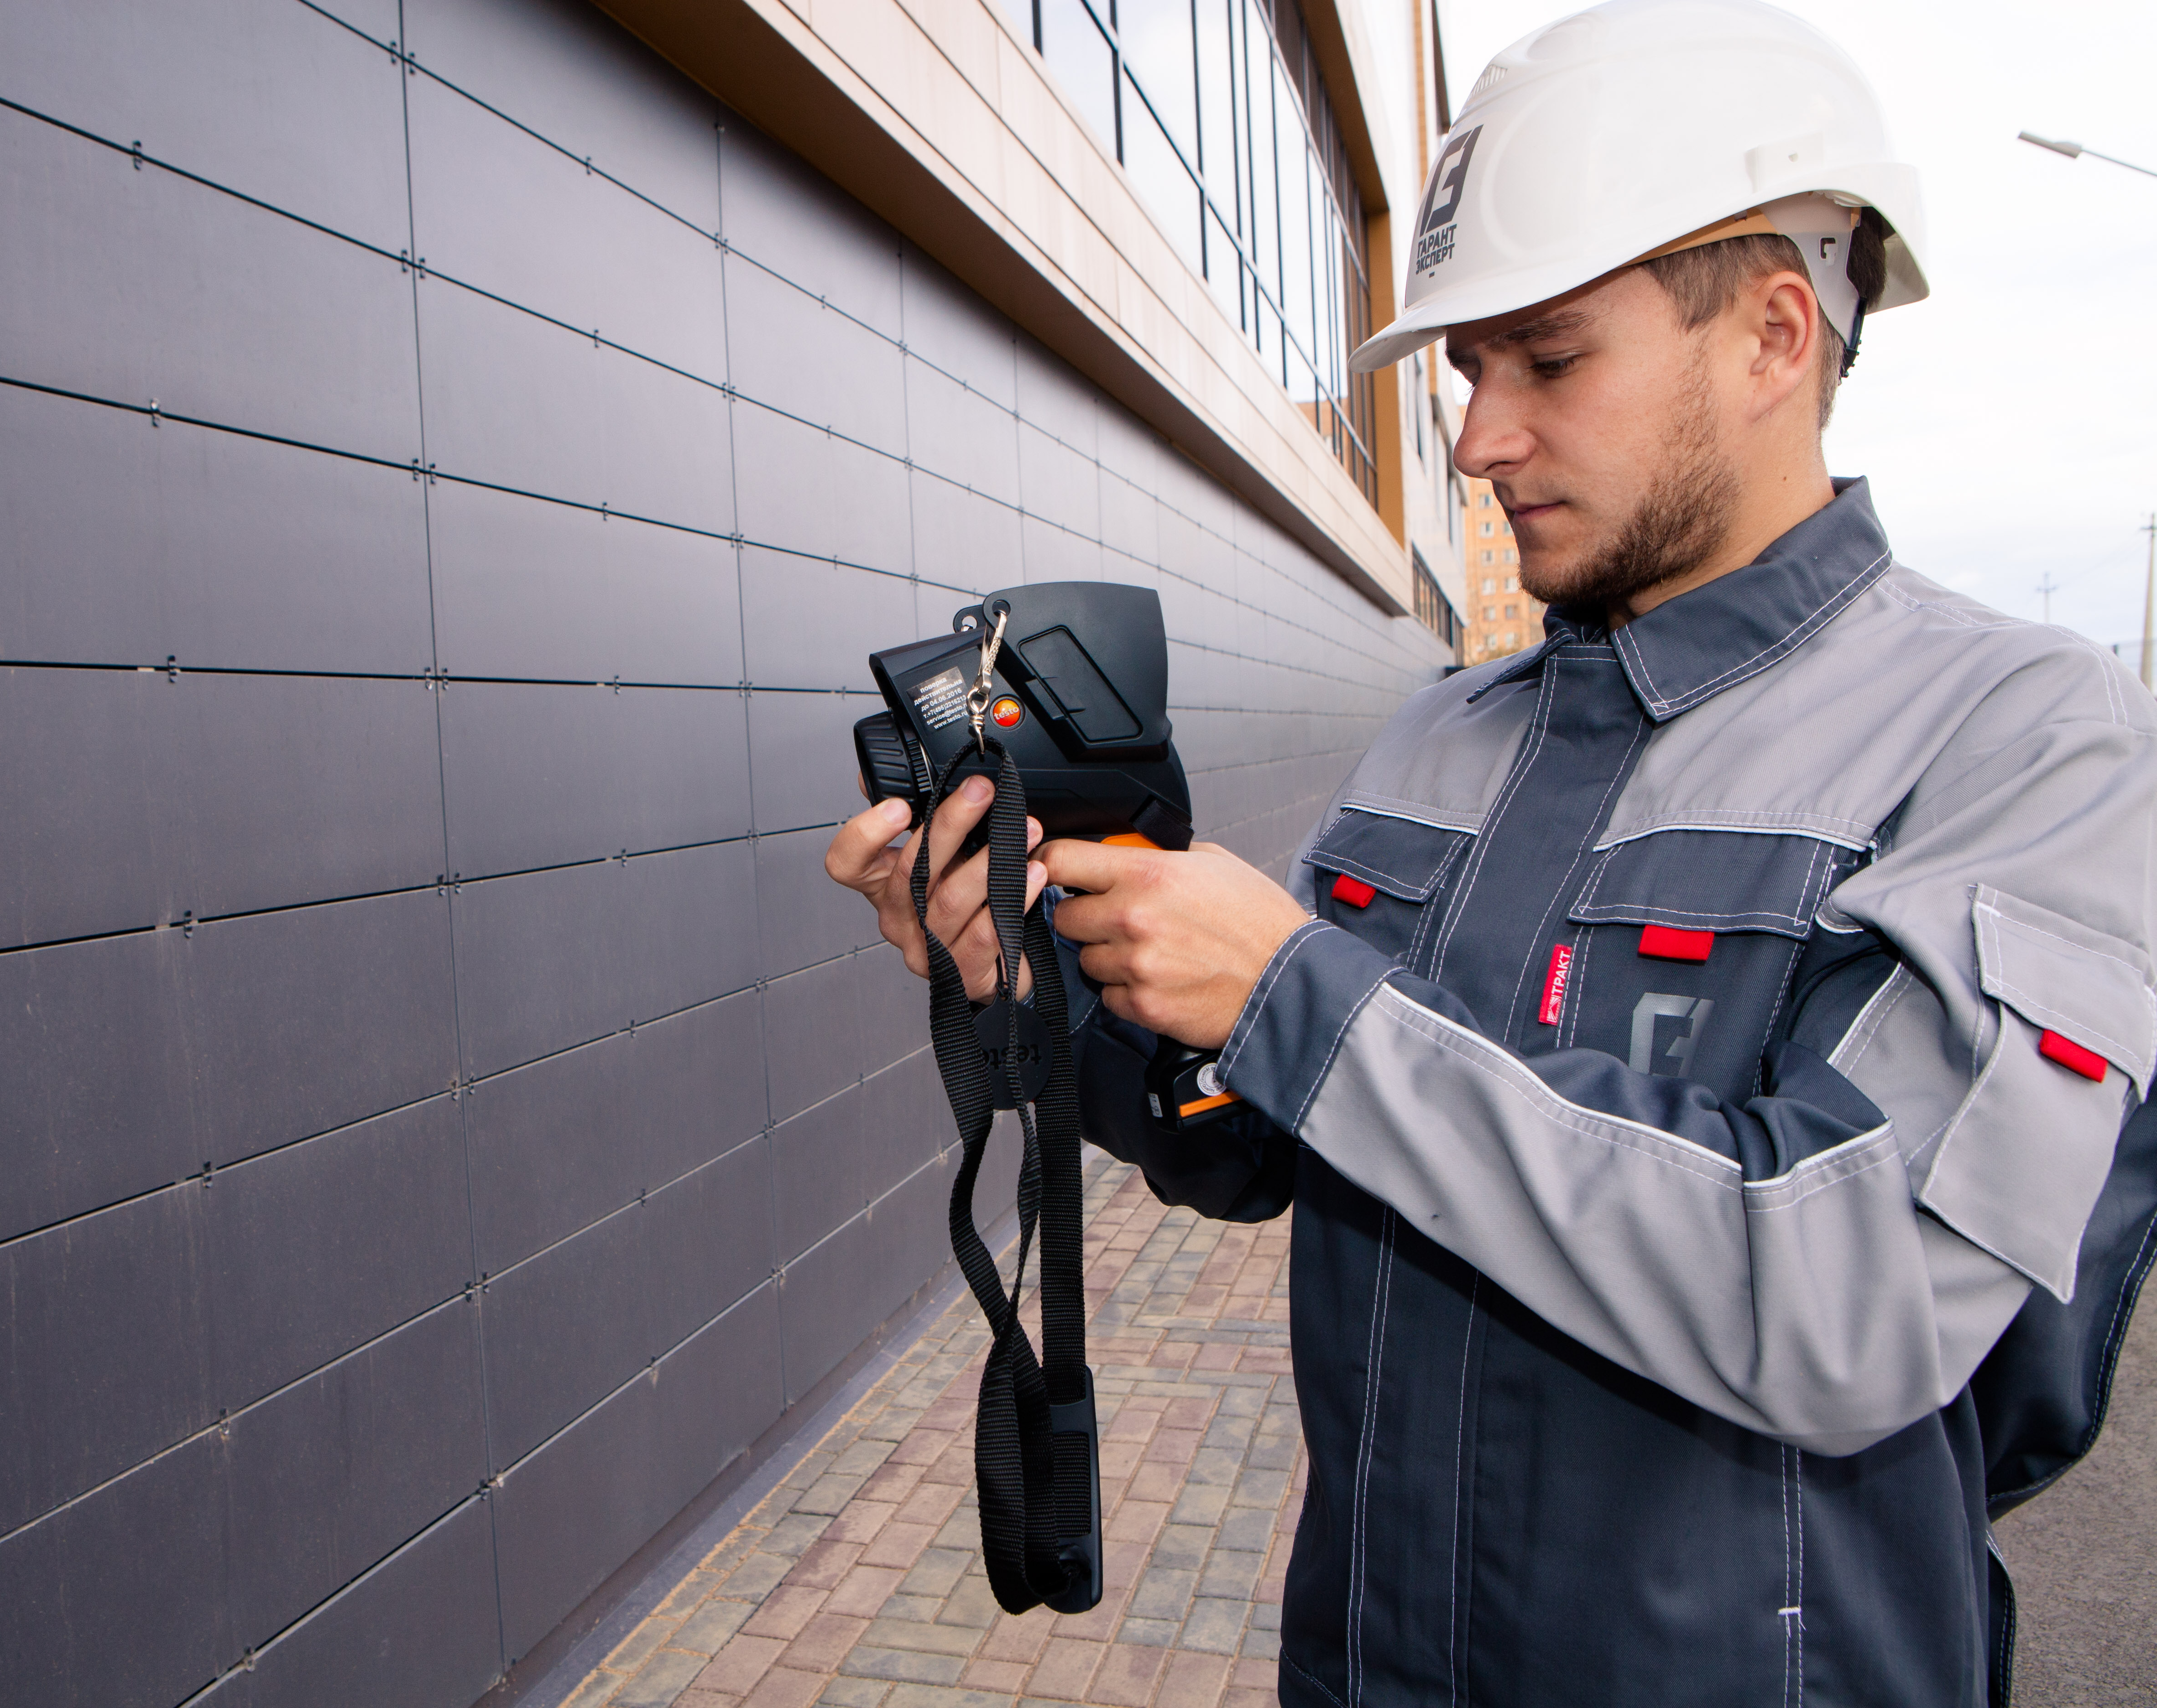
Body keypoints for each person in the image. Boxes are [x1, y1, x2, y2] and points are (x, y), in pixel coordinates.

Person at [825, 1, 2157, 1701]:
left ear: (1773, 338)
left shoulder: (2023, 734)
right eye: (1468, 371)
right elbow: (1246, 1148)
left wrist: (1300, 996)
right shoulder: (1445, 733)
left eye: (1547, 358)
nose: (1473, 436)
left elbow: (1859, 1289)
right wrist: (1031, 991)